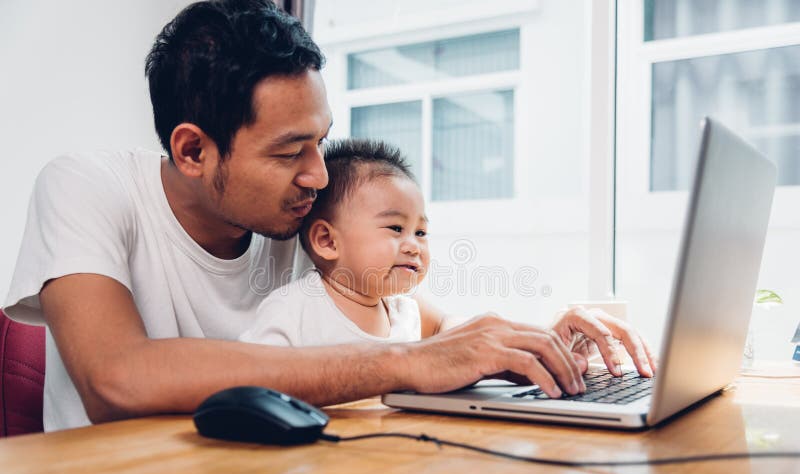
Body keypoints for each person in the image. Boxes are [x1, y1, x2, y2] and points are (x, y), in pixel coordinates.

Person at [2, 0, 655, 432]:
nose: (318, 174)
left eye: (320, 139)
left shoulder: (301, 213)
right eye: (290, 152)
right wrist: (402, 363)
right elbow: (116, 379)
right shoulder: (86, 186)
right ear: (193, 150)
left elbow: (423, 320)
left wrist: (525, 343)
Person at [240, 139, 430, 347]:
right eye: (396, 228)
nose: (414, 247)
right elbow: (257, 372)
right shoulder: (292, 310)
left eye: (420, 232)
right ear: (327, 241)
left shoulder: (406, 314)